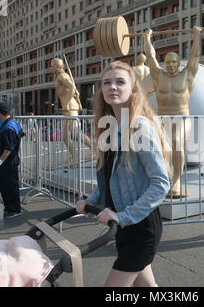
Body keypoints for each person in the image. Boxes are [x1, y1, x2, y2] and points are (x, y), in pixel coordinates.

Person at [76, 61, 171, 287]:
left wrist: (124, 216)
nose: (112, 87)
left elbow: (160, 183)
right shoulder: (108, 129)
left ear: (133, 89)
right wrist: (92, 200)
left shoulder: (139, 127)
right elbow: (109, 179)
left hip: (140, 226)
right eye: (107, 83)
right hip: (123, 228)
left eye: (120, 82)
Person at [143, 26, 202, 196]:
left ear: (179, 63)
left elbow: (195, 55)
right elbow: (150, 57)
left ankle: (176, 181)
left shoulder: (187, 75)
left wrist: (197, 36)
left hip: (182, 118)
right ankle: (162, 178)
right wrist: (147, 38)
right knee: (159, 149)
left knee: (176, 142)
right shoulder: (158, 75)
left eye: (173, 61)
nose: (170, 64)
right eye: (167, 62)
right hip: (162, 119)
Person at [51, 58, 95, 163]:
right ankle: (75, 157)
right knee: (65, 137)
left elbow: (71, 87)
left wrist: (66, 102)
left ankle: (95, 151)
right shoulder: (61, 76)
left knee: (75, 133)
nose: (50, 68)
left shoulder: (62, 76)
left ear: (57, 66)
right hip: (68, 108)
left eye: (52, 65)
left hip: (70, 107)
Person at [0, 102, 25, 219]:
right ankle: (12, 207)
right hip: (12, 159)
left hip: (8, 160)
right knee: (10, 185)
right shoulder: (14, 123)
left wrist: (0, 161)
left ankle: (13, 209)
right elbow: (20, 135)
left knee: (8, 186)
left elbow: (9, 148)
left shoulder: (8, 127)